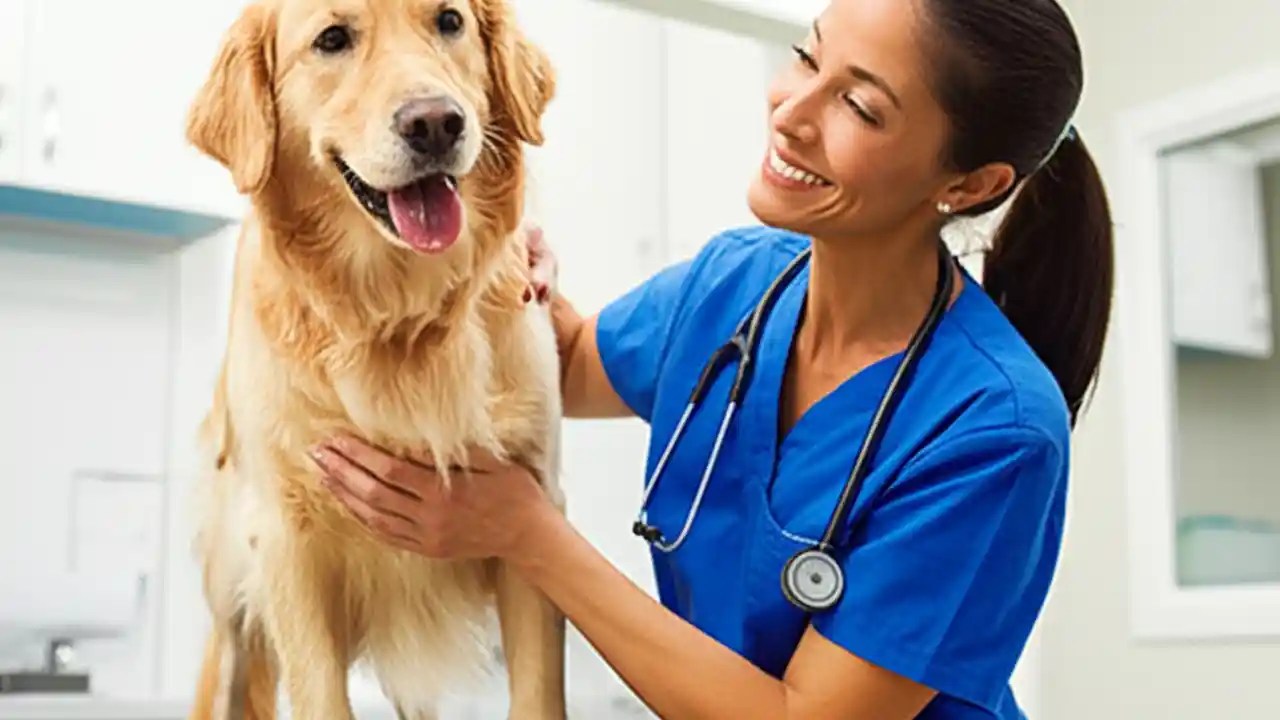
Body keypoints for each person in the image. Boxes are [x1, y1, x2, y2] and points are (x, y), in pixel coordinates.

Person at [307, 0, 1114, 716]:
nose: (792, 111)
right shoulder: (738, 282)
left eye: (860, 107)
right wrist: (495, 278)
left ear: (971, 184)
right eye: (807, 54)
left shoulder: (995, 429)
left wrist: (528, 534)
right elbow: (573, 365)